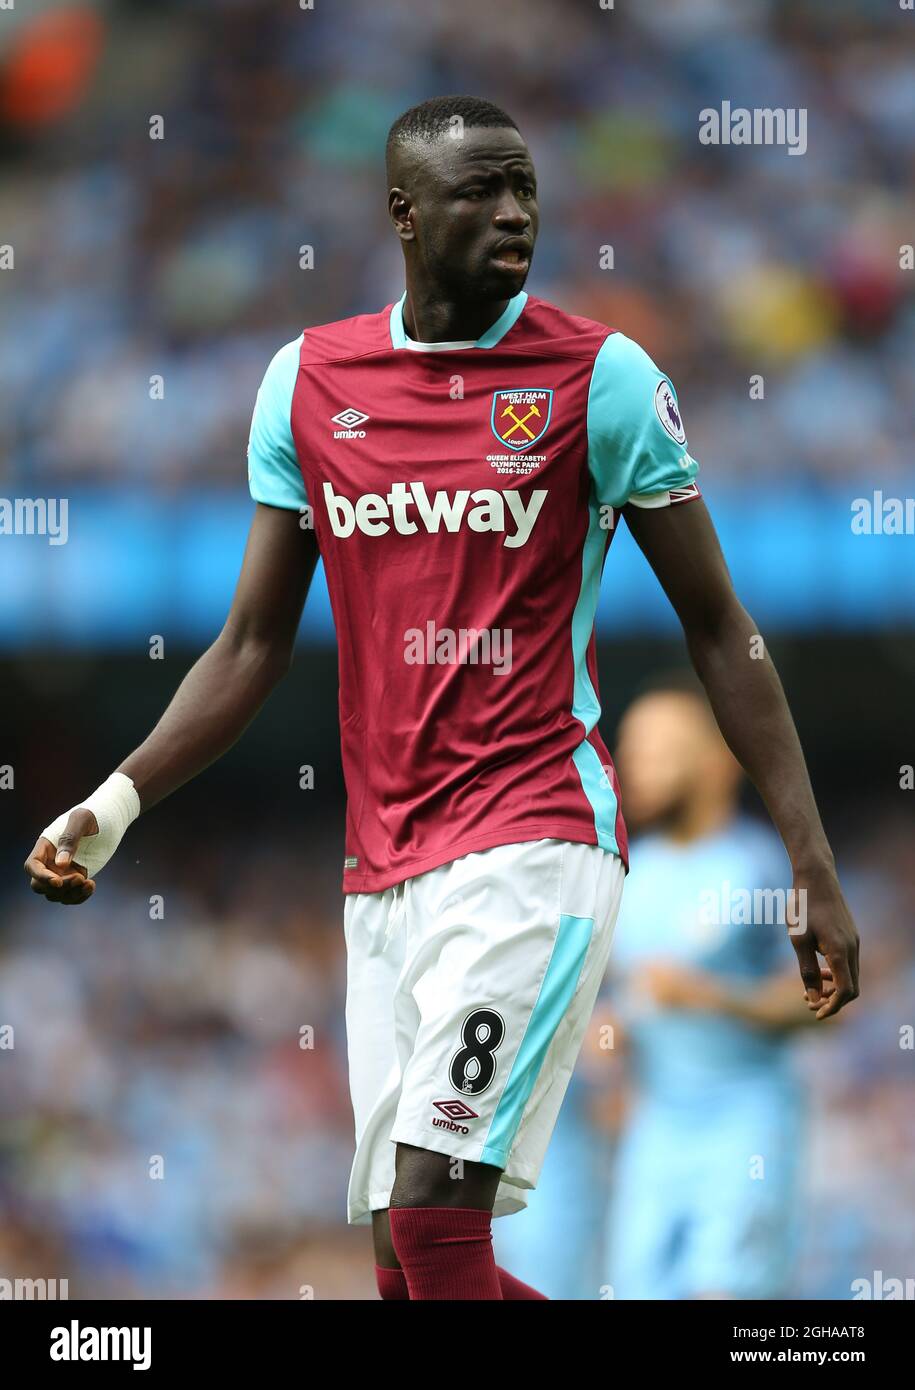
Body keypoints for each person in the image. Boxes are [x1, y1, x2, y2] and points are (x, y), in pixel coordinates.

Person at [24, 96, 859, 1302]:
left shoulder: (601, 380)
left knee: (432, 1216)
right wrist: (116, 800)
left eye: (524, 187)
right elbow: (252, 642)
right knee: (402, 1268)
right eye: (480, 192)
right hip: (384, 869)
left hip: (536, 837)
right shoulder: (308, 384)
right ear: (403, 215)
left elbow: (723, 629)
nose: (515, 212)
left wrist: (810, 859)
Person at [602, 674, 814, 1299]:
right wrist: (607, 1040)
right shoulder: (626, 876)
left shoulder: (759, 869)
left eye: (658, 750)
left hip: (744, 1122)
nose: (635, 767)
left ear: (717, 763)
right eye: (631, 750)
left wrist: (714, 998)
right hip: (656, 1128)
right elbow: (624, 1009)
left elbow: (827, 1006)